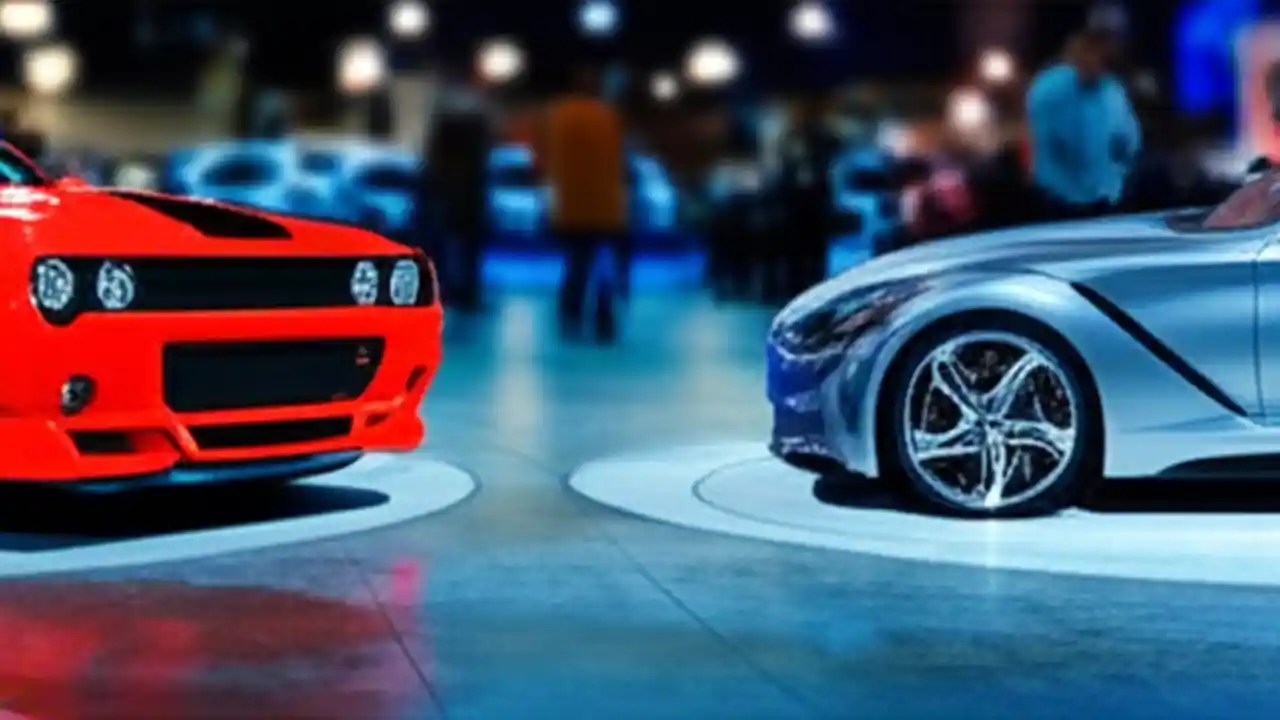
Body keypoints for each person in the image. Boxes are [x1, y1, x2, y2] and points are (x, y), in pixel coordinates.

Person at [541, 66, 628, 341]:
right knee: (603, 265)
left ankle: (571, 314)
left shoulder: (558, 115)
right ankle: (604, 318)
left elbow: (546, 158)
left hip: (571, 206)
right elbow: (620, 162)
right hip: (605, 208)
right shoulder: (608, 116)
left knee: (575, 264)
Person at [1027, 29, 1141, 220]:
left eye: (1098, 57)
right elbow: (1047, 142)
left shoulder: (1112, 92)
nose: (1092, 61)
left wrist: (1118, 175)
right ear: (1073, 56)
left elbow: (1129, 141)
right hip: (1056, 199)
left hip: (1104, 199)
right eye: (1086, 54)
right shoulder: (1048, 89)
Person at [422, 71, 493, 311]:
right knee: (467, 247)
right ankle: (466, 292)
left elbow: (432, 158)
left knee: (445, 245)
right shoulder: (477, 125)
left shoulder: (445, 126)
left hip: (449, 194)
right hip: (467, 195)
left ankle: (445, 289)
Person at [775, 96, 841, 300]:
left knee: (815, 246)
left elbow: (835, 153)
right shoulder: (788, 138)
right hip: (794, 201)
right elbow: (781, 170)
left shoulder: (822, 137)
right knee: (795, 246)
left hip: (816, 200)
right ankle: (793, 286)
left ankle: (813, 285)